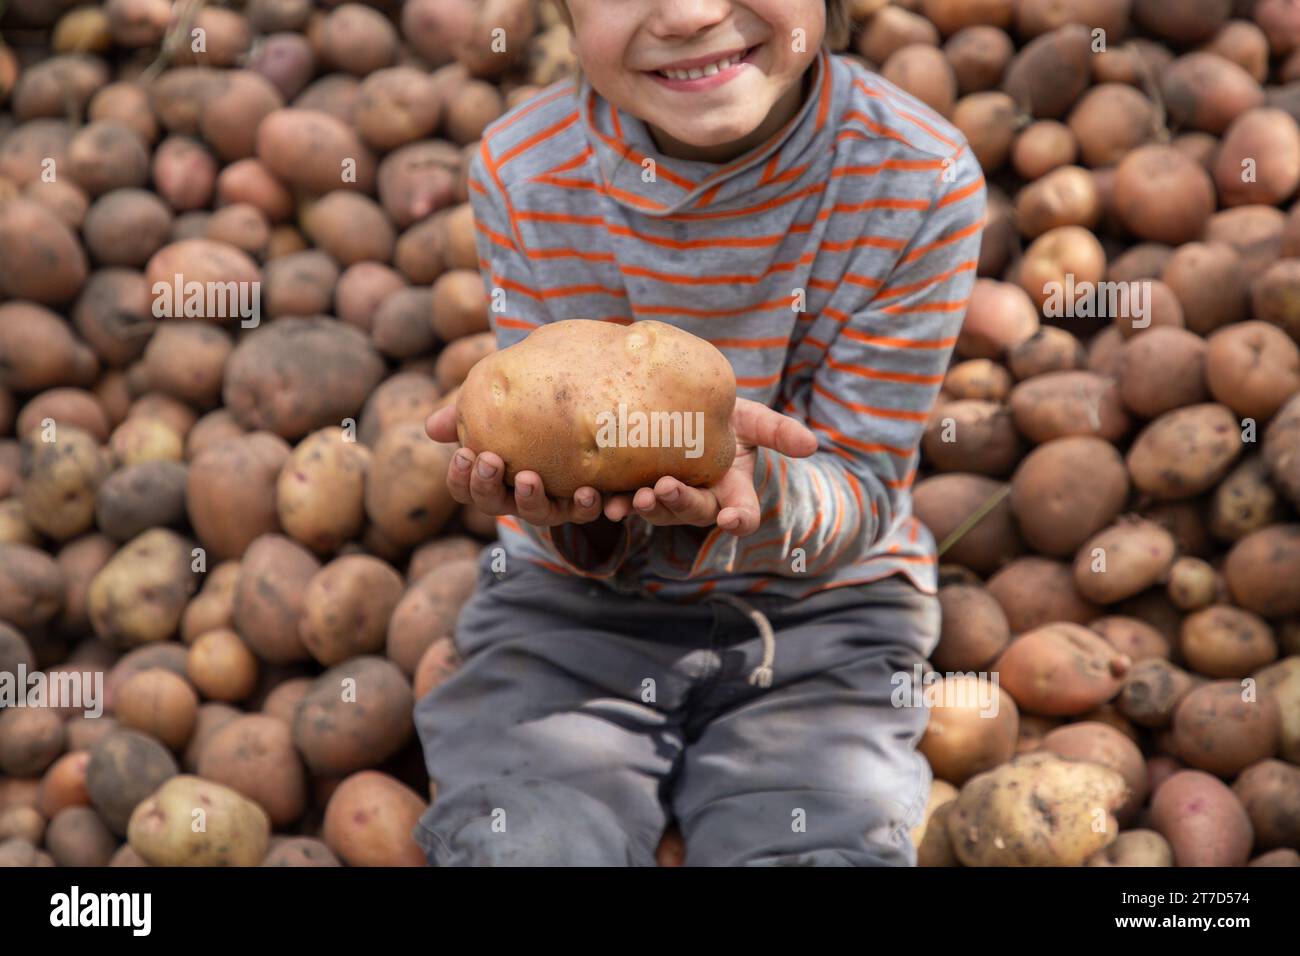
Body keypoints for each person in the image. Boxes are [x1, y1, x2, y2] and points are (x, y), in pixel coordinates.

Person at [416, 0, 987, 866]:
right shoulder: (522, 172)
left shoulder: (918, 180)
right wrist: (562, 514)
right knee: (523, 836)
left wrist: (762, 493)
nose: (688, 13)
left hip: (823, 609)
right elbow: (547, 430)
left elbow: (866, 482)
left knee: (818, 842)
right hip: (575, 608)